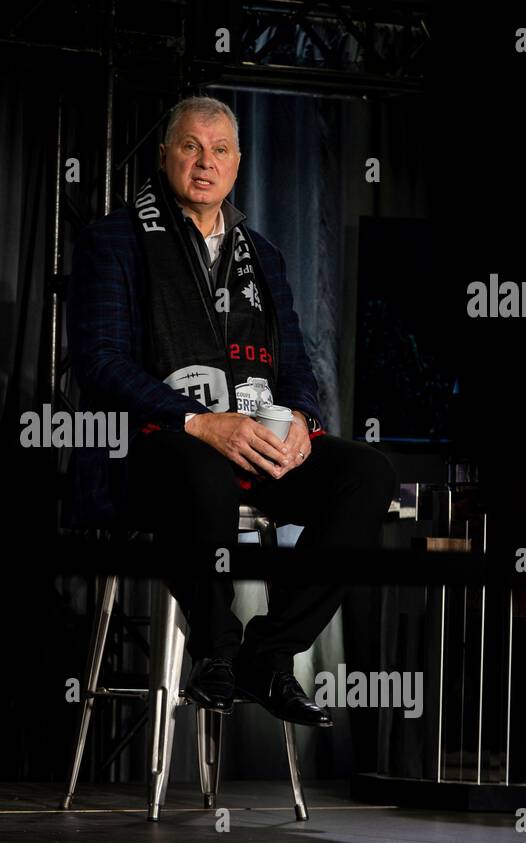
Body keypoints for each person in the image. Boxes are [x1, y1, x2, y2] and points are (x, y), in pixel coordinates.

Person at [67, 95, 396, 726]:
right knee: (201, 462)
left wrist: (300, 417)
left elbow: (297, 365)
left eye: (219, 150)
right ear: (165, 156)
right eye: (190, 146)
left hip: (256, 443)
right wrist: (197, 420)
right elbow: (100, 365)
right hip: (153, 450)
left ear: (237, 164)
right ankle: (214, 650)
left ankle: (266, 656)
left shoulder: (262, 254)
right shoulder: (114, 240)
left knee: (368, 474)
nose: (204, 162)